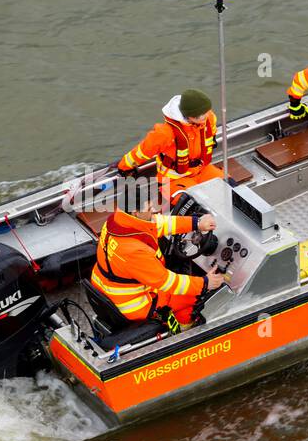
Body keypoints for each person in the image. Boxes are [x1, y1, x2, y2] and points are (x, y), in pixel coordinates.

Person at [89, 209, 227, 333]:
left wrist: (196, 223)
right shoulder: (134, 251)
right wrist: (205, 283)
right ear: (135, 212)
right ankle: (184, 331)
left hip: (105, 287)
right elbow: (167, 282)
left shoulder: (116, 221)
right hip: (134, 305)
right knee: (192, 297)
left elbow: (160, 223)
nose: (154, 210)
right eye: (149, 208)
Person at [117, 89, 224, 206]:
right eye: (200, 114)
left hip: (202, 169)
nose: (205, 116)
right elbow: (142, 151)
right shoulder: (165, 133)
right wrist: (125, 167)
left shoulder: (208, 118)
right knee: (195, 204)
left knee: (230, 188)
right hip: (174, 179)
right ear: (189, 116)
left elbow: (211, 131)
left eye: (206, 112)